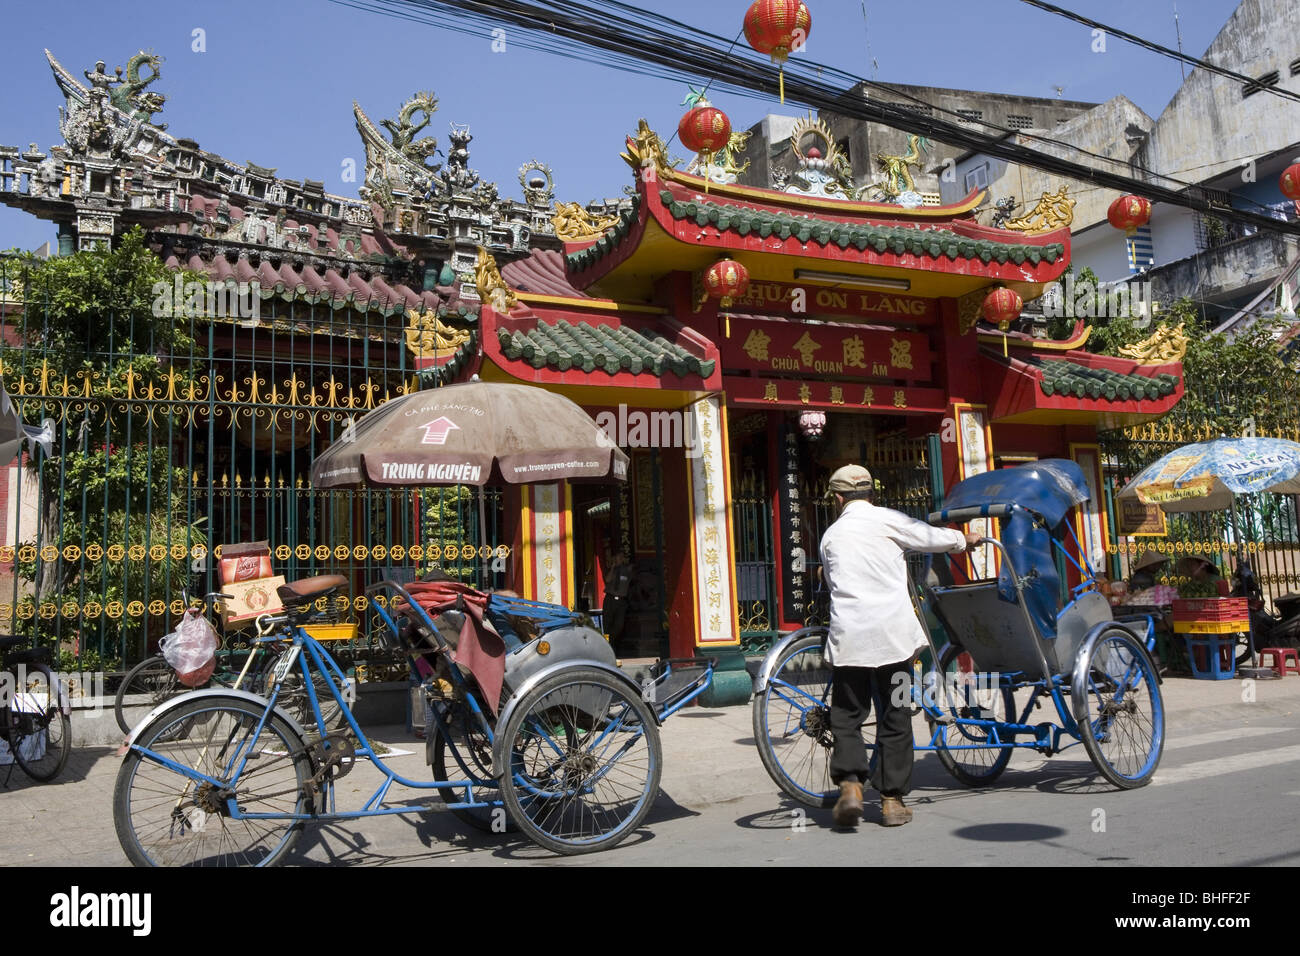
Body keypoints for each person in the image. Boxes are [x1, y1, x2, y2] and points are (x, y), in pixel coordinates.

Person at [820, 464, 980, 829]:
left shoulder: (830, 535)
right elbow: (928, 536)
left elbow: (831, 582)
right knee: (895, 715)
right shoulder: (888, 519)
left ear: (838, 498)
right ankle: (891, 802)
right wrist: (963, 540)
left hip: (852, 640)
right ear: (871, 494)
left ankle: (850, 786)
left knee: (847, 716)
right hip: (893, 638)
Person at [601, 547, 634, 649]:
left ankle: (612, 641)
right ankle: (606, 645)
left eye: (620, 557)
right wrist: (613, 567)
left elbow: (633, 575)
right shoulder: (611, 569)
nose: (618, 559)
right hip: (610, 599)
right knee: (607, 623)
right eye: (616, 557)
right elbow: (607, 579)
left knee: (619, 625)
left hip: (621, 601)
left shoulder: (627, 570)